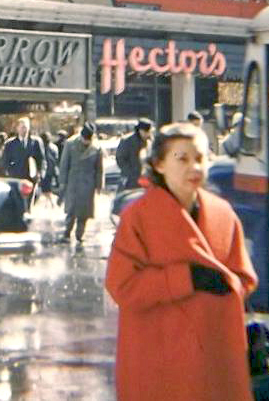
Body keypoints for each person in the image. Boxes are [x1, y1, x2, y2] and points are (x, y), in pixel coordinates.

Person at [105, 122, 258, 401]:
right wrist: (185, 278)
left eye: (200, 158)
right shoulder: (138, 216)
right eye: (182, 159)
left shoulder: (223, 213)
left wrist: (231, 286)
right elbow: (121, 286)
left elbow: (244, 276)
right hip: (160, 358)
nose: (194, 168)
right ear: (159, 165)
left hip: (214, 355)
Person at [58, 123, 104, 243]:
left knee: (84, 212)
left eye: (89, 140)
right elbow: (64, 164)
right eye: (84, 139)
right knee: (71, 210)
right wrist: (62, 182)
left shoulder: (96, 147)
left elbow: (99, 168)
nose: (86, 142)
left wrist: (99, 185)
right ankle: (67, 233)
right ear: (81, 137)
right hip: (73, 182)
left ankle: (80, 235)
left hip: (88, 184)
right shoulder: (70, 143)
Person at [0, 117, 46, 206]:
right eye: (22, 127)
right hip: (16, 176)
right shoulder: (10, 143)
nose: (24, 130)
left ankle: (28, 213)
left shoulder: (36, 142)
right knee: (17, 200)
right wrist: (10, 172)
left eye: (26, 127)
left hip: (31, 176)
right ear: (17, 128)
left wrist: (40, 173)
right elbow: (5, 160)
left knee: (30, 201)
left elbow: (42, 159)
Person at [115, 118, 153, 191]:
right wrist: (130, 173)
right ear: (140, 130)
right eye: (145, 132)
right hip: (130, 181)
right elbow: (120, 159)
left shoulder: (150, 142)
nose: (147, 134)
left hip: (145, 180)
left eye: (148, 132)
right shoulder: (127, 141)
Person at [38, 132, 60, 206]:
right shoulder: (54, 147)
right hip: (52, 170)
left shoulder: (42, 147)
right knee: (47, 188)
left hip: (45, 171)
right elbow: (56, 158)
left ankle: (50, 203)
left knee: (45, 189)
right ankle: (49, 203)